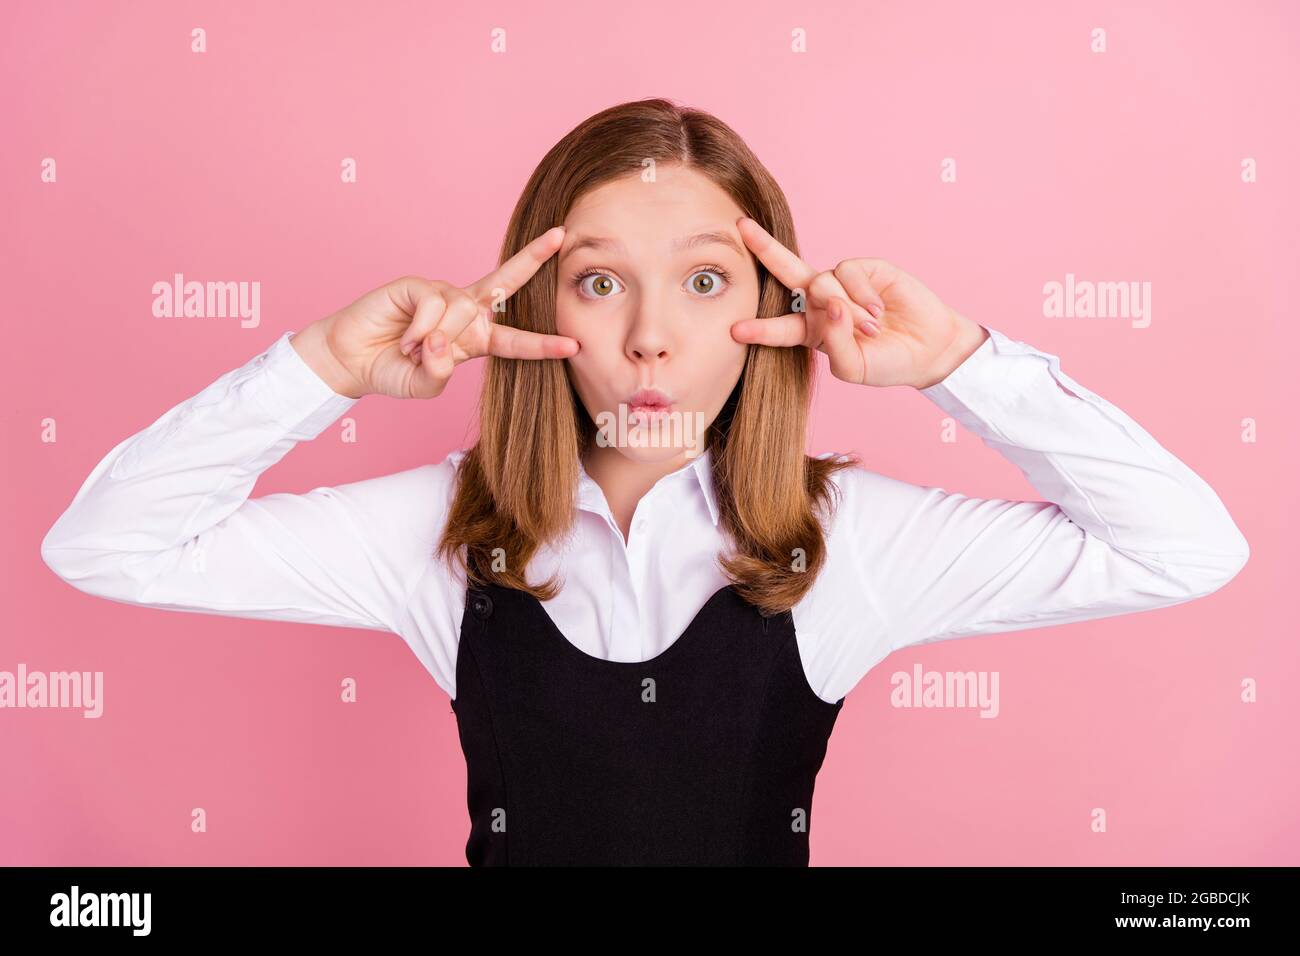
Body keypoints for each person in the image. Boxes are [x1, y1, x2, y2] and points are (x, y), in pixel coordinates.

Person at [40, 98, 1250, 866]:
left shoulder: (846, 541)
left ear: (774, 312)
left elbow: (1182, 547)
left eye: (708, 282)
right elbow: (109, 546)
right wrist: (322, 367)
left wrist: (958, 364)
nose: (654, 337)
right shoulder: (443, 532)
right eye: (602, 280)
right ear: (539, 305)